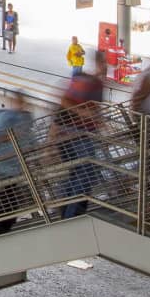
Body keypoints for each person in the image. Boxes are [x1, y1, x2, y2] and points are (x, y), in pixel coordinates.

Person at [51, 54, 106, 218]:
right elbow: (65, 101)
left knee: (79, 172)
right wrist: (82, 112)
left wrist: (97, 120)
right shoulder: (87, 82)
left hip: (75, 133)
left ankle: (66, 209)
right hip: (75, 133)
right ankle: (72, 214)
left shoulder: (94, 83)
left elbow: (93, 109)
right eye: (104, 64)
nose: (106, 67)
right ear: (98, 64)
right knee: (86, 172)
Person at [0, 92, 38, 235]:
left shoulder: (8, 117)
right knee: (7, 198)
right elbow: (27, 138)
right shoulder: (19, 118)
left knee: (5, 197)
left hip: (5, 164)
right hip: (10, 165)